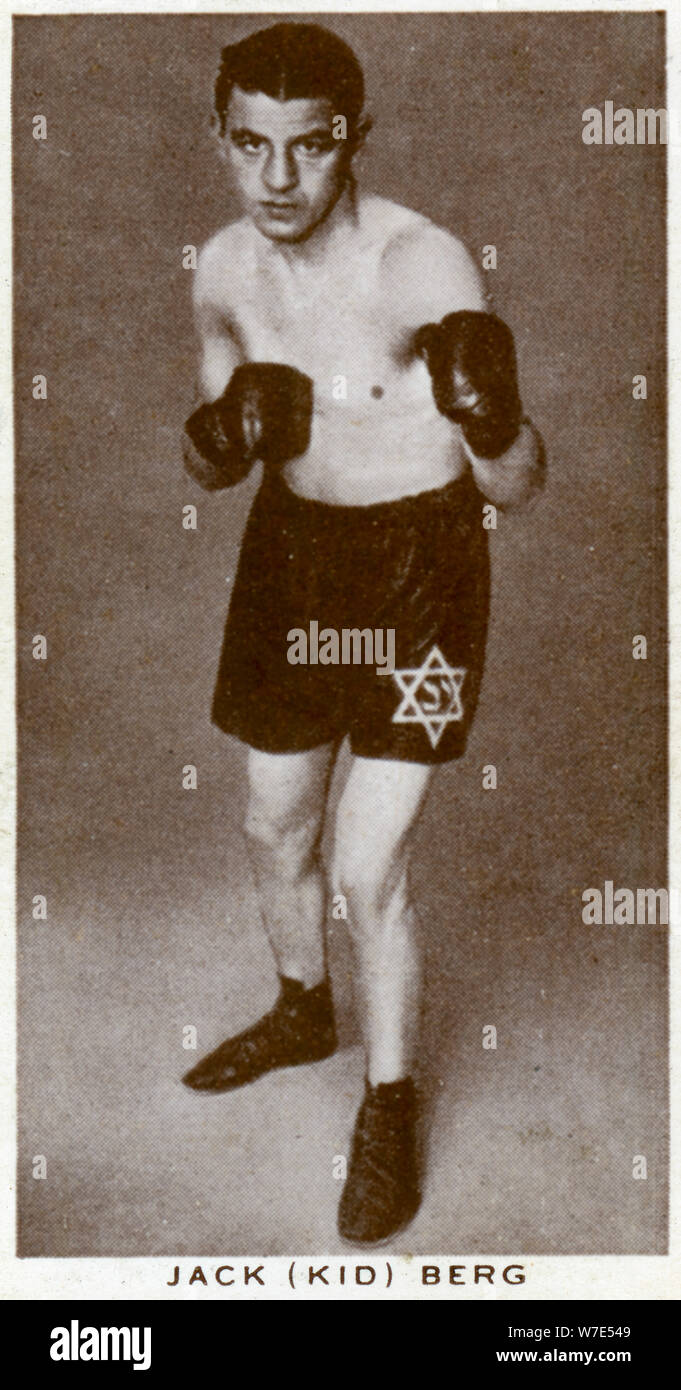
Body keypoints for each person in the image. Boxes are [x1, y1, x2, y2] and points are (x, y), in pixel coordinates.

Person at [181, 21, 545, 1243]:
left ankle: (389, 1106)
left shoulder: (423, 265)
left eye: (307, 149)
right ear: (223, 142)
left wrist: (492, 425)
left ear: (354, 144)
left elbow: (516, 484)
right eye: (249, 147)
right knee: (269, 821)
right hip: (288, 565)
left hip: (421, 578)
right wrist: (220, 434)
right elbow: (214, 454)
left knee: (364, 866)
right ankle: (301, 1007)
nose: (276, 180)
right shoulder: (225, 270)